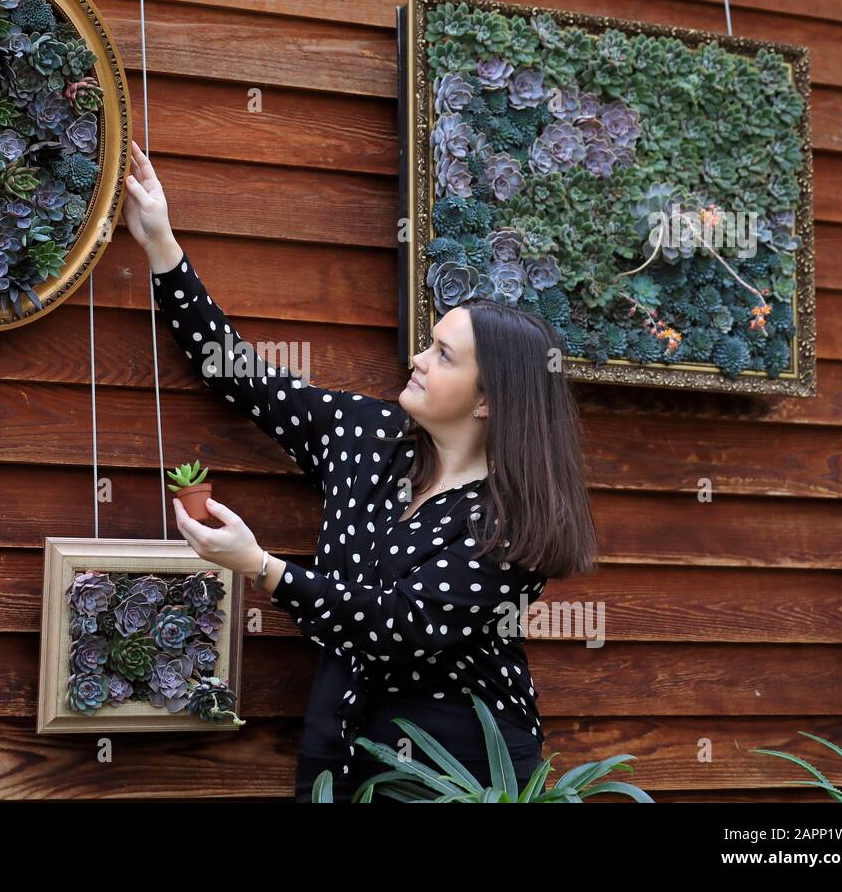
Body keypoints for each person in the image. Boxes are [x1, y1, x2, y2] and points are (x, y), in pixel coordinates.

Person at [122, 139, 598, 802]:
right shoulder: (369, 436)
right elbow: (240, 375)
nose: (421, 359)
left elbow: (398, 625)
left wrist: (263, 566)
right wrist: (161, 245)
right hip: (343, 734)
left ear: (488, 400)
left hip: (461, 770)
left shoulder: (512, 524)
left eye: (443, 354)